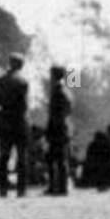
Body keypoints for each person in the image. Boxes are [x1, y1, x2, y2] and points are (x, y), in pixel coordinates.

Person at [0, 53, 29, 198]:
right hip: (19, 122)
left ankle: (3, 189)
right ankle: (21, 190)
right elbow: (23, 105)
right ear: (20, 65)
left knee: (4, 157)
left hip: (4, 122)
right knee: (22, 157)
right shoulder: (23, 82)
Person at [45, 65, 72, 196]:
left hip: (57, 128)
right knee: (61, 159)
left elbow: (55, 113)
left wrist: (50, 129)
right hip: (64, 127)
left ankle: (56, 187)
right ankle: (61, 187)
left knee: (54, 159)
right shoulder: (67, 90)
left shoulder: (57, 90)